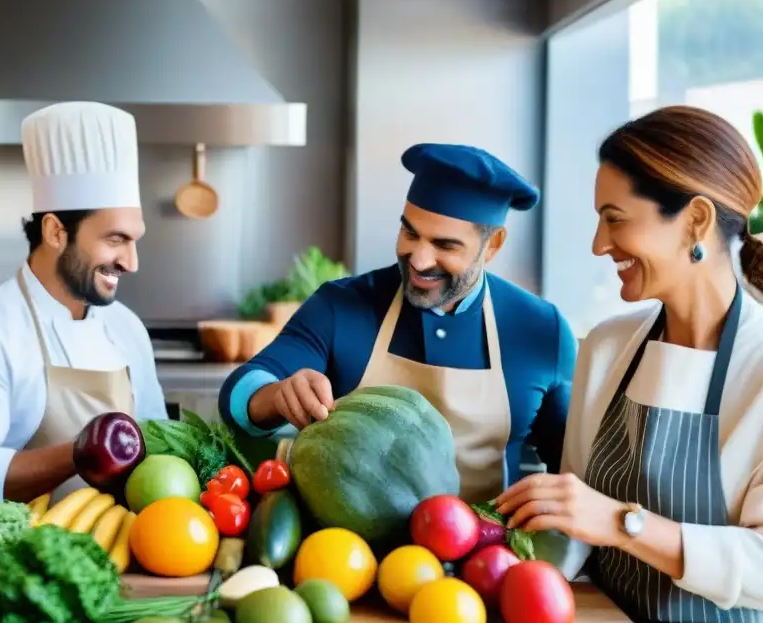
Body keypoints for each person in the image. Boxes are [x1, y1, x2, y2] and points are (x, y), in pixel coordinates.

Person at [495, 105, 763, 623]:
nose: (599, 244)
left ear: (696, 221)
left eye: (614, 219)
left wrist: (624, 523)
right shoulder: (607, 347)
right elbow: (571, 528)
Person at [219, 144, 578, 505]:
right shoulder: (341, 305)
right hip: (345, 552)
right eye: (410, 234)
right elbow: (238, 395)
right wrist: (277, 395)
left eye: (445, 246)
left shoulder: (543, 330)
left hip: (485, 554)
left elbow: (571, 464)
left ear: (493, 245)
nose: (419, 261)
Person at [0, 102, 166, 505]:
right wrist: (81, 452)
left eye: (134, 240)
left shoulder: (127, 328)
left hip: (128, 550)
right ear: (55, 231)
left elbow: (158, 441)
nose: (131, 262)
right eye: (115, 239)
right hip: (23, 556)